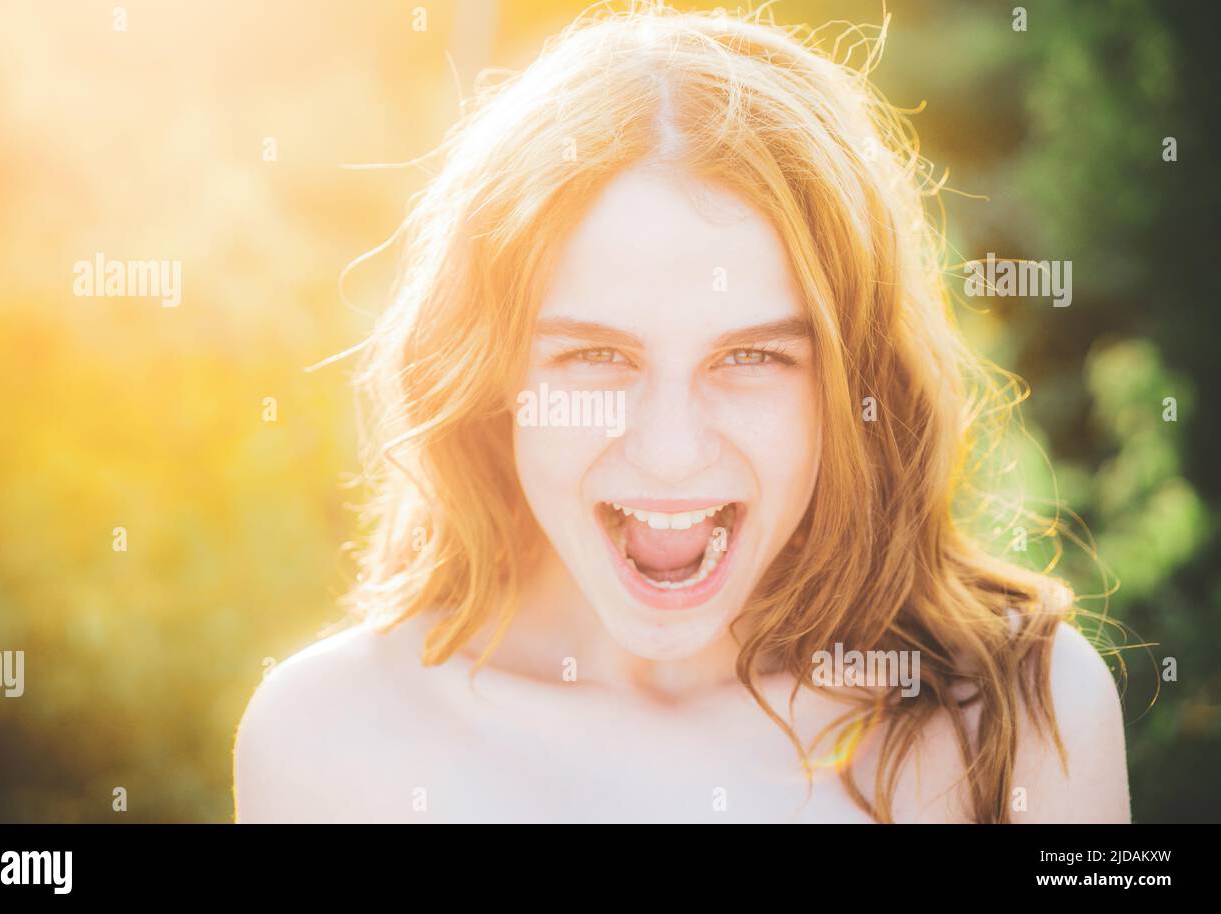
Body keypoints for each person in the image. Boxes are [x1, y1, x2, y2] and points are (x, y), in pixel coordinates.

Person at [234, 5, 1131, 824]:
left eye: (751, 358)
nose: (668, 454)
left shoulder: (1024, 717)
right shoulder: (327, 740)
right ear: (491, 373)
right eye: (595, 356)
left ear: (853, 385)